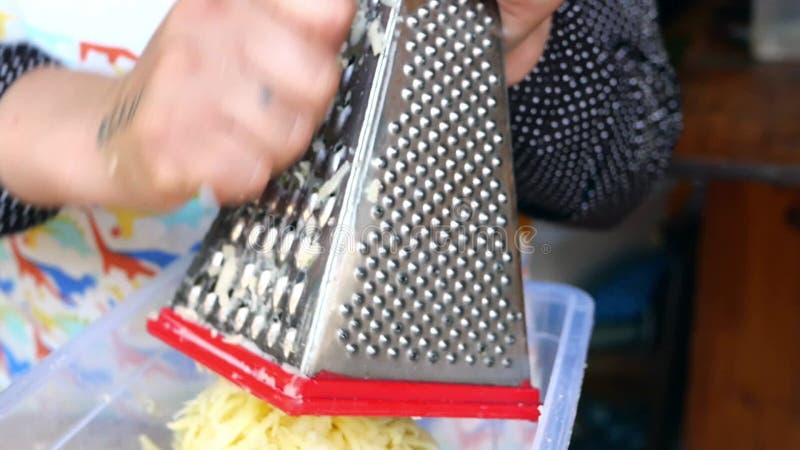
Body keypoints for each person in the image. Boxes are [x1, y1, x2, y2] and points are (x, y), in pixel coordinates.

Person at [0, 0, 680, 387]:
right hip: (61, 385)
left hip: (417, 378)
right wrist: (97, 133)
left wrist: (485, 43)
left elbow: (629, 146)